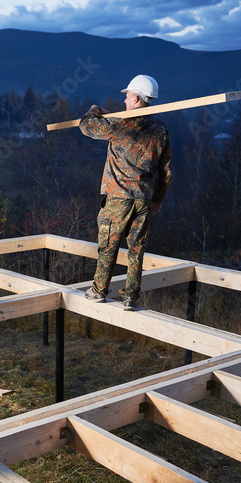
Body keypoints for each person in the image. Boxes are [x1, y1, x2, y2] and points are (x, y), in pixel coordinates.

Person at [80, 74, 172, 311]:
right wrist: (158, 200)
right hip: (144, 198)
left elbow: (86, 126)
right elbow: (166, 171)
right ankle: (131, 296)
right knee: (136, 248)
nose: (124, 101)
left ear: (137, 98)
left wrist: (94, 109)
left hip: (119, 197)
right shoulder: (160, 130)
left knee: (108, 245)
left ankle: (99, 291)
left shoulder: (120, 125)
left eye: (128, 96)